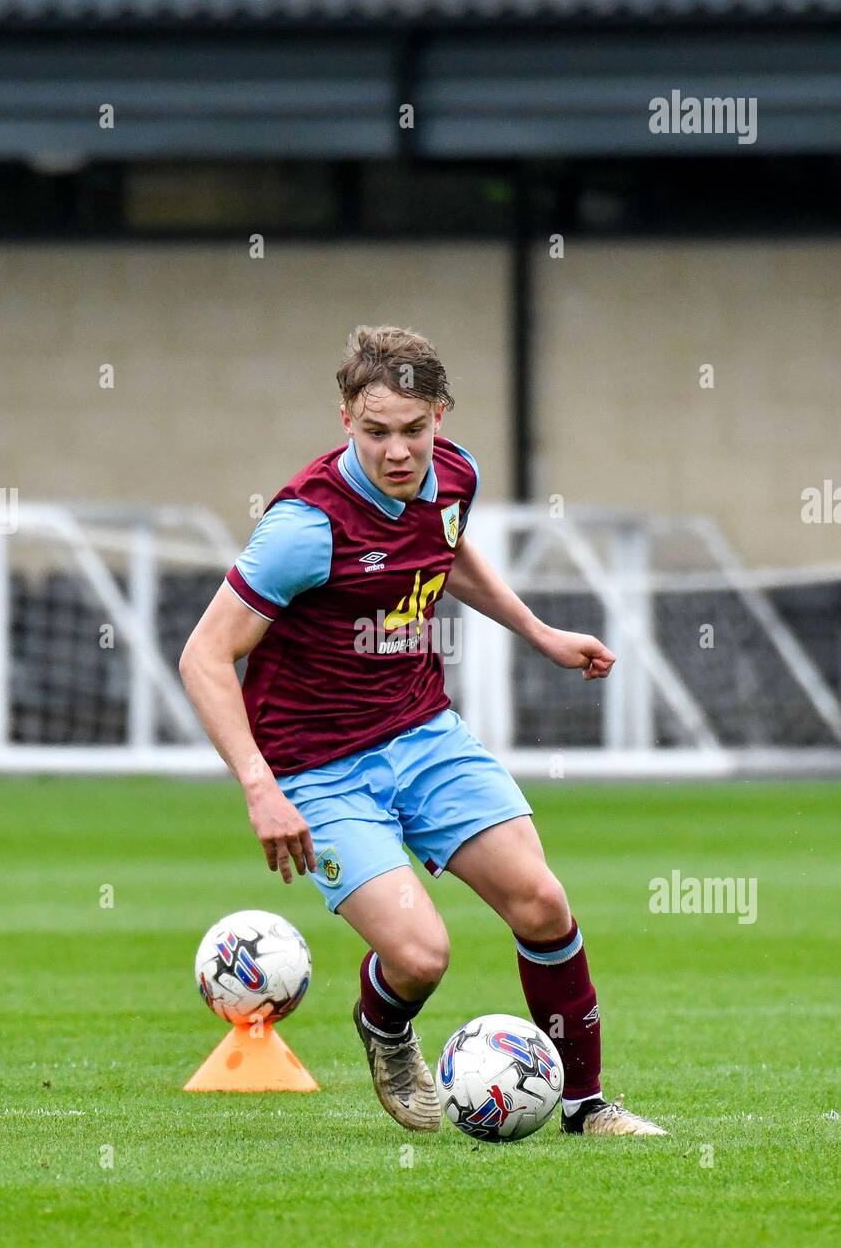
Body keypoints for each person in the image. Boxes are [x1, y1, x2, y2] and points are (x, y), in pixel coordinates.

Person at [179, 325, 666, 1139]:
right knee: (419, 957)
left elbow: (449, 548)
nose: (398, 452)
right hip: (320, 768)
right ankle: (386, 1025)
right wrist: (261, 789)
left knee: (542, 903)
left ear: (440, 415)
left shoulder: (455, 476)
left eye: (414, 430)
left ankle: (586, 1108)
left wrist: (539, 631)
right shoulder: (306, 526)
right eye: (376, 433)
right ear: (345, 420)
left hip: (424, 733)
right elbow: (204, 654)